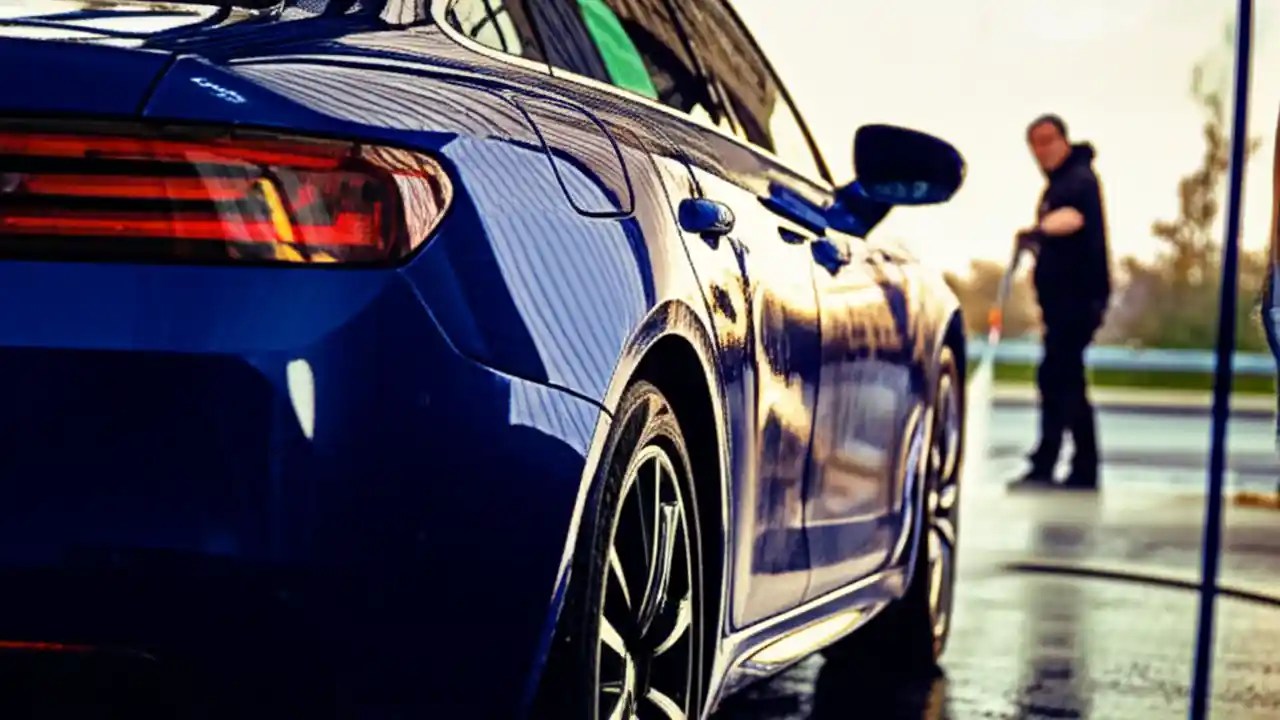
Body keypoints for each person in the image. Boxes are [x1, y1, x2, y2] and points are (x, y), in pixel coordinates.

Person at [1009, 114, 1112, 491]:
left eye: (1048, 141)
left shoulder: (1078, 178)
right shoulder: (1056, 184)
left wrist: (1036, 232)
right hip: (1059, 304)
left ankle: (1076, 466)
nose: (1042, 150)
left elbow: (1071, 218)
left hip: (1078, 300)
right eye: (1035, 144)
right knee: (1057, 377)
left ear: (1064, 140)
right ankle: (1052, 460)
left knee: (1063, 378)